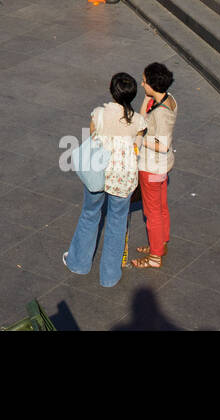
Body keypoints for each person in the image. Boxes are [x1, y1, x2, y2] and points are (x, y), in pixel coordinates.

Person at [64, 73, 146, 288]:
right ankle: (110, 276)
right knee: (117, 222)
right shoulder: (137, 121)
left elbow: (93, 136)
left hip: (98, 171)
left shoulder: (99, 114)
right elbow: (137, 143)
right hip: (122, 176)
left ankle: (79, 263)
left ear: (112, 90)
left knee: (90, 214)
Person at [131, 62, 178, 270]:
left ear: (152, 84)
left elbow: (163, 144)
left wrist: (140, 140)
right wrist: (147, 97)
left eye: (144, 81)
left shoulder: (161, 113)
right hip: (162, 168)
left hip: (152, 167)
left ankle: (155, 256)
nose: (142, 84)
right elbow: (142, 120)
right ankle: (161, 242)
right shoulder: (169, 100)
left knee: (152, 212)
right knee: (161, 206)